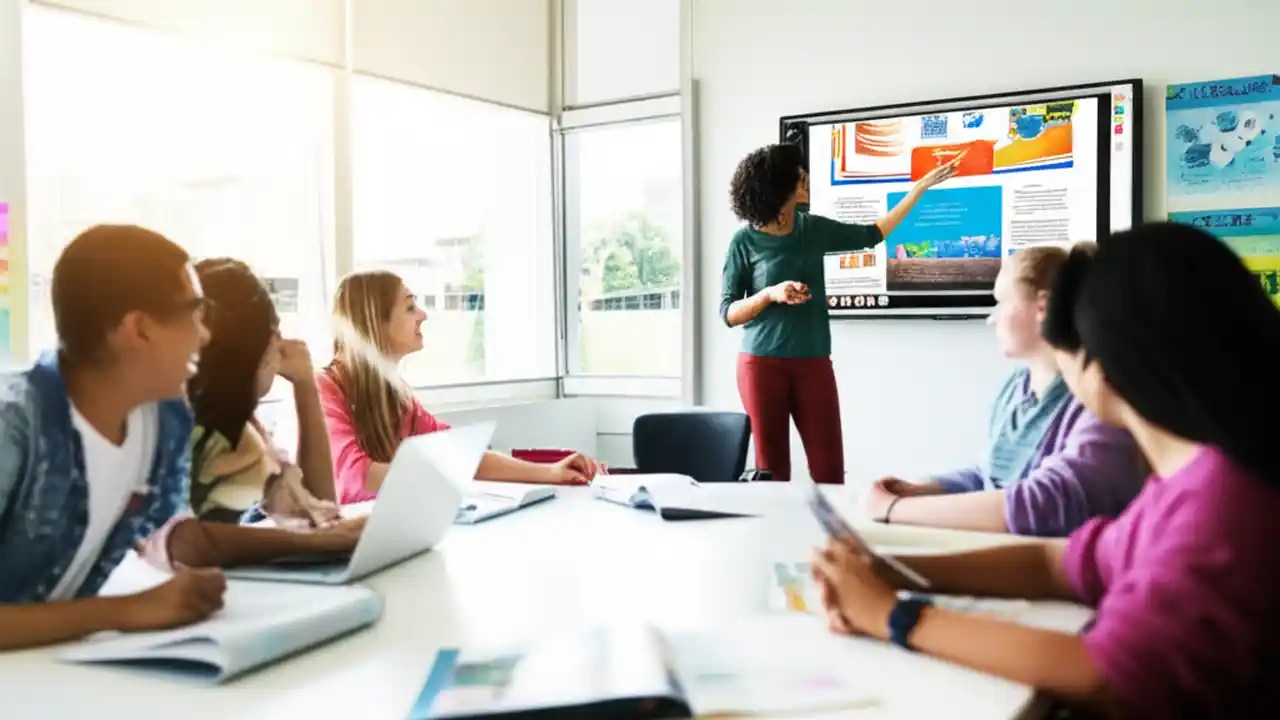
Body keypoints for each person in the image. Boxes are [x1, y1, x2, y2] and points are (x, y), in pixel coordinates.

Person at [812, 223, 1280, 717]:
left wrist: (893, 615)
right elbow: (1061, 565)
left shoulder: (1226, 502)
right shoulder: (1202, 475)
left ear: (1102, 369)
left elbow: (1101, 673)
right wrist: (897, 572)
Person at [0, 226, 365, 651]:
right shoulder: (15, 426)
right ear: (140, 329)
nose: (205, 334)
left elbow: (179, 532)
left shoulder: (159, 425)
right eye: (194, 313)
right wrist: (126, 611)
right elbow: (184, 544)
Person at [862, 245, 1143, 536]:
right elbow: (992, 475)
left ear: (1042, 307)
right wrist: (920, 491)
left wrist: (894, 510)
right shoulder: (1014, 389)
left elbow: (1048, 503)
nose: (991, 319)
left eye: (1002, 302)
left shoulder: (1099, 397)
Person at [720, 142, 959, 484]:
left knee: (829, 472)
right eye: (799, 179)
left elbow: (872, 235)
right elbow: (728, 312)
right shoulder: (743, 242)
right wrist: (770, 295)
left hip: (813, 361)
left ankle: (828, 537)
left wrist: (919, 188)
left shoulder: (812, 228)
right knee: (772, 474)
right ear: (780, 187)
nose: (806, 184)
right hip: (760, 365)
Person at [317, 270, 605, 504]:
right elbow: (355, 478)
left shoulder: (395, 396)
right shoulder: (323, 389)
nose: (422, 315)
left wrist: (551, 473)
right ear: (375, 325)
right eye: (409, 307)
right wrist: (447, 471)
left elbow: (460, 454)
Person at [186, 258, 339, 527]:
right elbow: (318, 519)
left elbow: (316, 511)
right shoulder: (207, 435)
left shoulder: (232, 420)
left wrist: (305, 384)